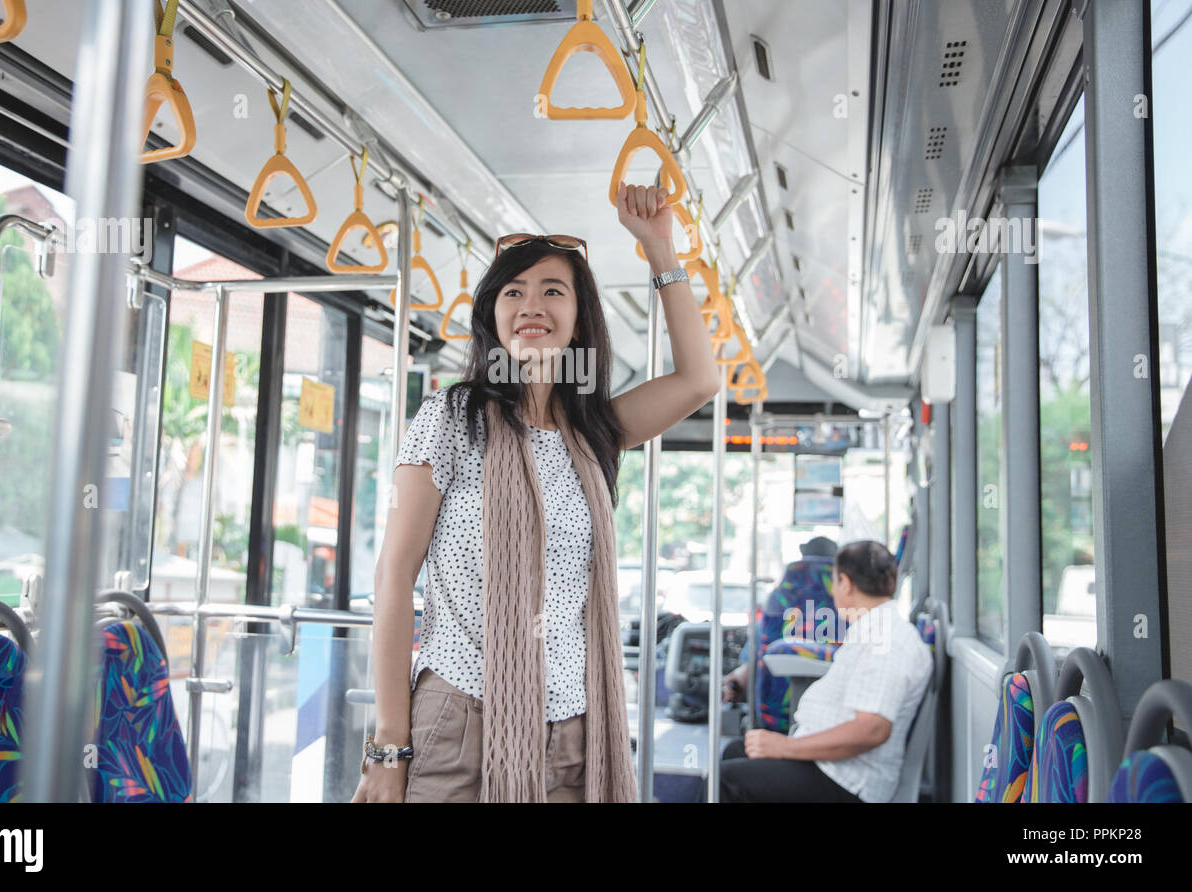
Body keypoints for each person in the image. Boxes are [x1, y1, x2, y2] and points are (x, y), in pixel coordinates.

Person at [352, 182, 720, 803]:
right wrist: (389, 747)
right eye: (513, 291)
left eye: (553, 291)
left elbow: (700, 379)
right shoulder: (451, 417)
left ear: (579, 319)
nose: (532, 305)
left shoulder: (595, 431)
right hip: (462, 720)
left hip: (575, 729)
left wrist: (661, 249)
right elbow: (394, 579)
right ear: (493, 313)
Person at [715, 540, 933, 803]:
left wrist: (785, 747)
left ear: (845, 582)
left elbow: (872, 730)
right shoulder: (873, 630)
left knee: (723, 781)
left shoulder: (886, 642)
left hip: (847, 781)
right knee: (737, 751)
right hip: (833, 766)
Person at [722, 536, 839, 729]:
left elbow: (759, 653)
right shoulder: (849, 606)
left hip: (775, 718)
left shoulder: (779, 601)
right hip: (835, 720)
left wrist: (740, 676)